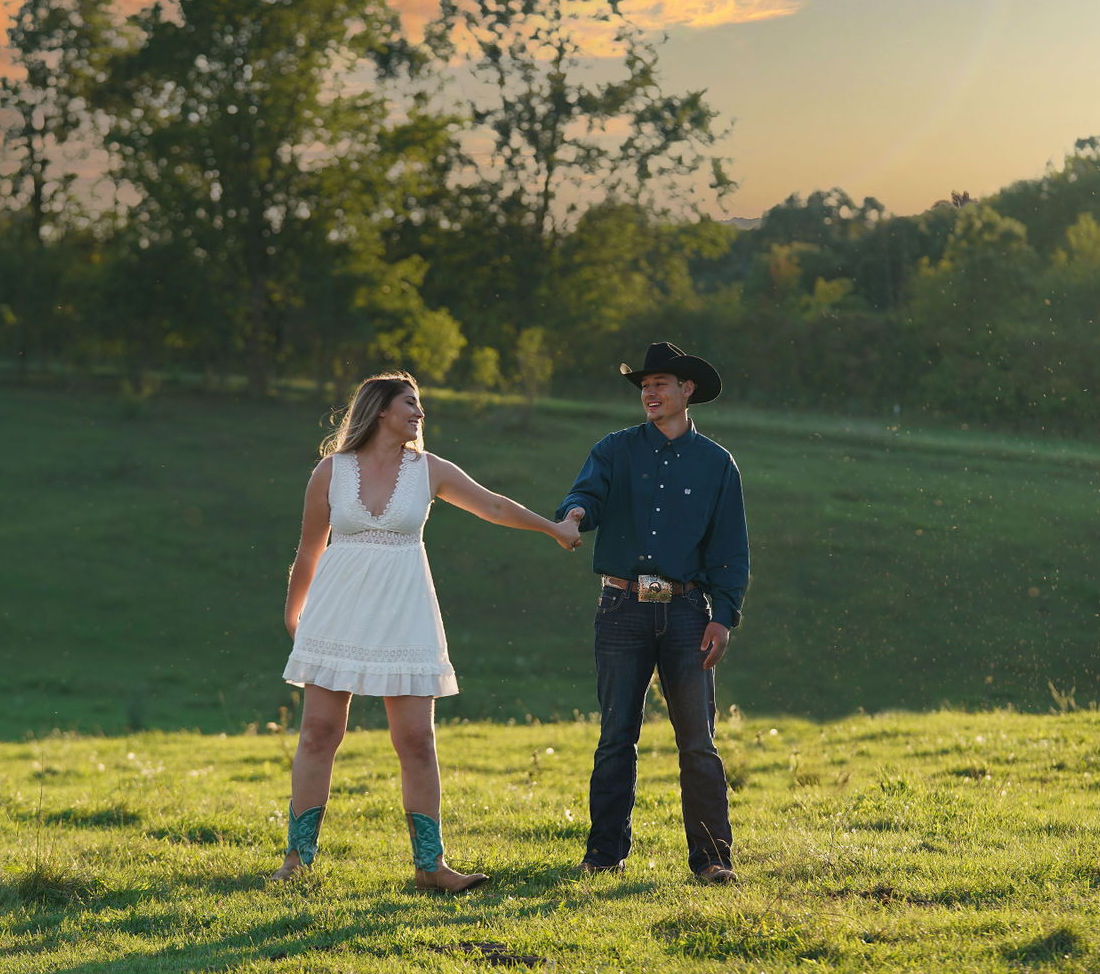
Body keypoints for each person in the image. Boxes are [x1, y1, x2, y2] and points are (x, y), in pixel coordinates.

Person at [274, 370, 581, 892]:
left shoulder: (429, 470)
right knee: (318, 732)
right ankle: (296, 861)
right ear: (380, 410)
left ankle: (431, 866)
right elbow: (309, 549)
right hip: (335, 613)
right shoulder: (331, 471)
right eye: (410, 403)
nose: (420, 413)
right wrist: (293, 613)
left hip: (405, 613)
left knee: (416, 739)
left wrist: (553, 529)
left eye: (419, 405)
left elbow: (492, 505)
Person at [556, 342, 750, 885]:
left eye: (660, 383)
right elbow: (585, 496)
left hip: (689, 612)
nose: (649, 393)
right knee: (616, 735)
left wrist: (723, 617)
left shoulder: (717, 464)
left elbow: (730, 549)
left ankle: (712, 860)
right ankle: (603, 855)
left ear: (687, 390)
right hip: (621, 608)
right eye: (644, 386)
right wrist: (573, 516)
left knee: (698, 742)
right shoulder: (614, 450)